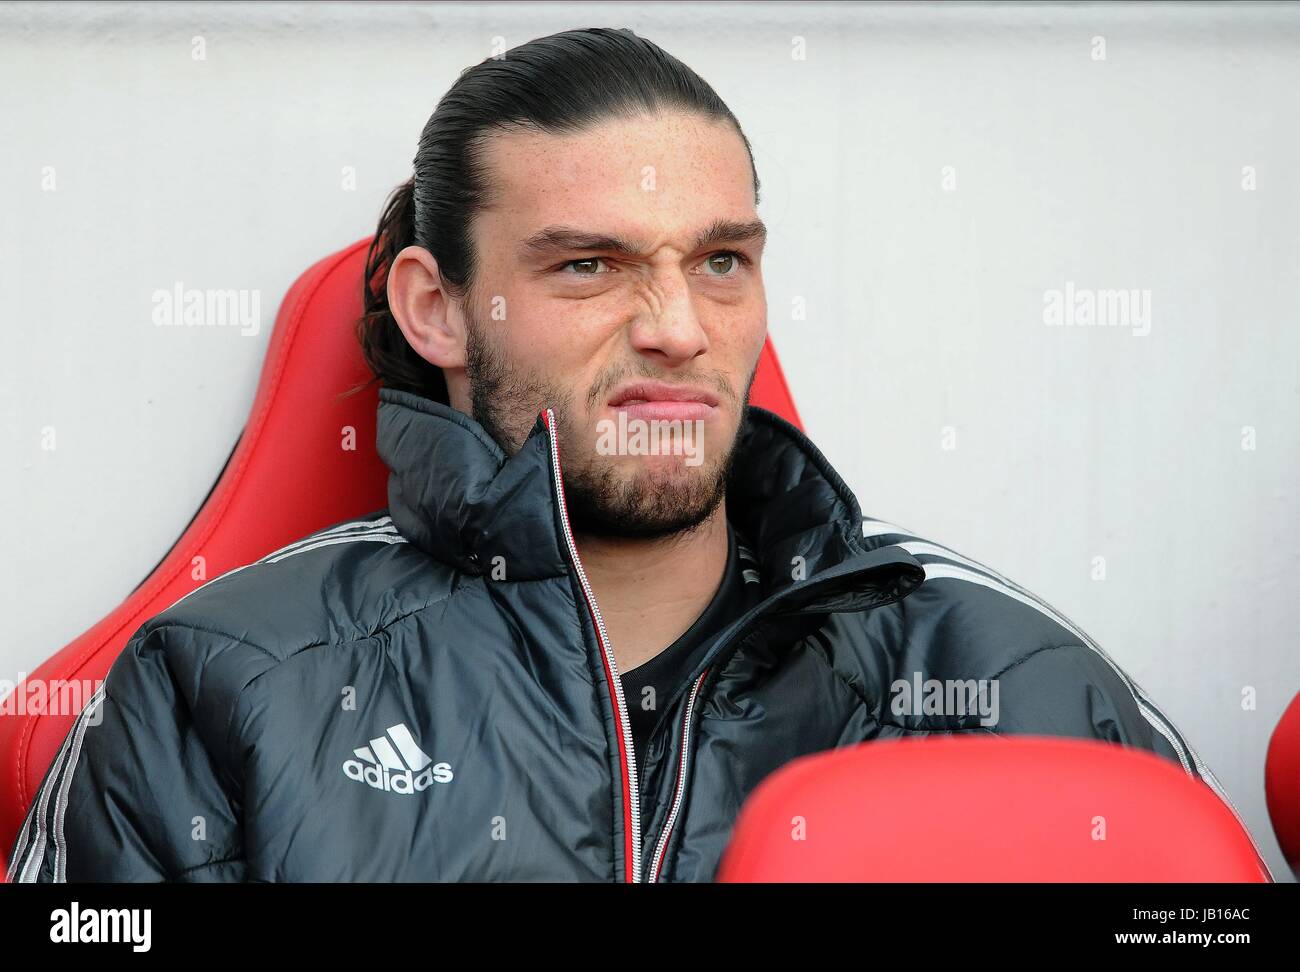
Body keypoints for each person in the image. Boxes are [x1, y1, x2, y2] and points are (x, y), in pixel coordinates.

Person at [6, 26, 1260, 883]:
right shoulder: (217, 689)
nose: (677, 328)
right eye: (588, 265)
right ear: (438, 309)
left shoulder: (1008, 672)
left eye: (720, 261)